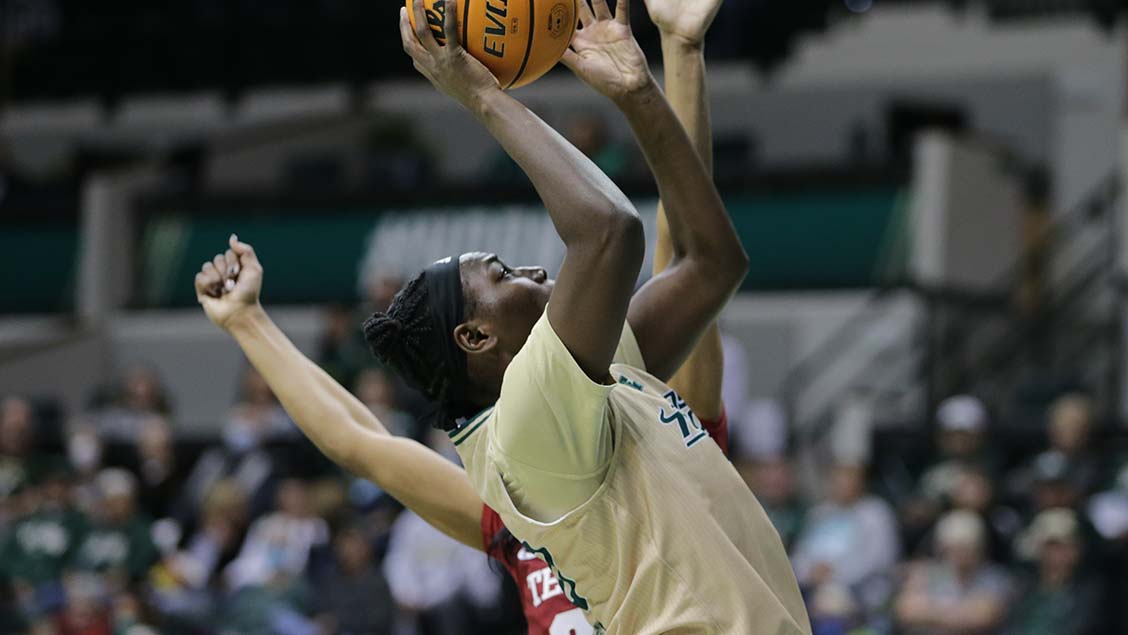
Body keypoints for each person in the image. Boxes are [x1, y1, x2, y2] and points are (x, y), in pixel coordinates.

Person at [194, 1, 807, 633]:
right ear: (476, 335)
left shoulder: (593, 385)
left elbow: (704, 261)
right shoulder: (528, 426)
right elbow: (610, 232)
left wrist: (655, 77)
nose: (536, 272)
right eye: (504, 274)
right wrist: (478, 93)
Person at [895, 510, 1012, 635]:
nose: (959, 554)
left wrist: (928, 611)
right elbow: (906, 610)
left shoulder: (994, 577)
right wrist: (961, 612)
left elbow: (981, 619)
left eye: (965, 548)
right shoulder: (934, 572)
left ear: (979, 548)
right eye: (953, 547)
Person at [1006, 509, 1102, 635]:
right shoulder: (1022, 586)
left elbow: (1078, 628)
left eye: (1060, 546)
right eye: (1049, 546)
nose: (1054, 554)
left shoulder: (1088, 592)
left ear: (1076, 550)